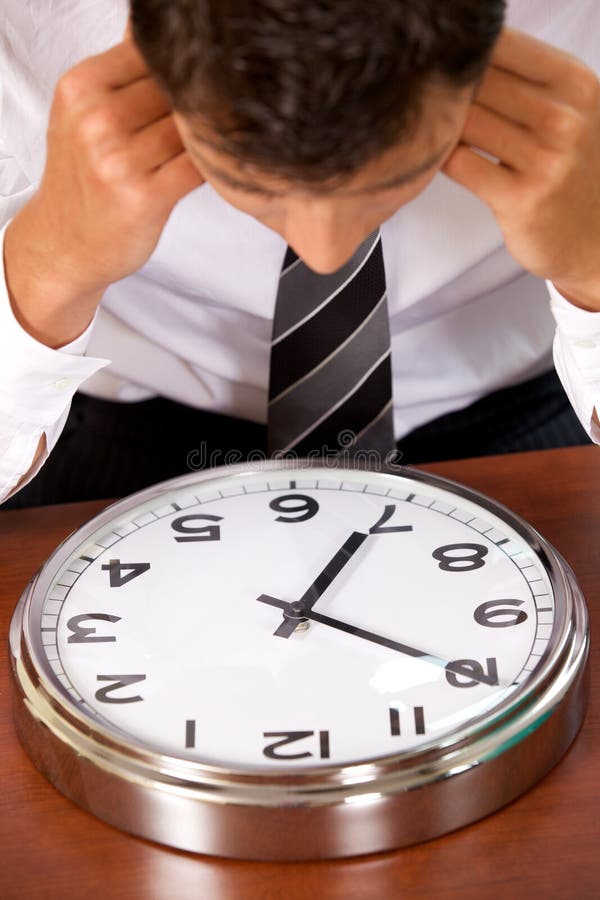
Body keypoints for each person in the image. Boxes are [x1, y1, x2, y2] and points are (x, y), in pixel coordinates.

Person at [1, 0, 599, 508]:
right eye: (252, 188)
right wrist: (49, 266)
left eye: (405, 174)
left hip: (532, 406)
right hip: (122, 417)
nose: (323, 251)